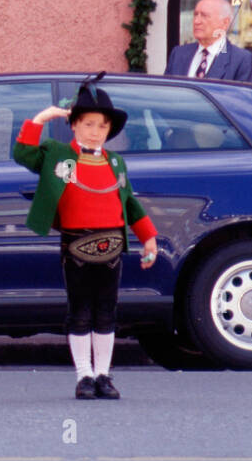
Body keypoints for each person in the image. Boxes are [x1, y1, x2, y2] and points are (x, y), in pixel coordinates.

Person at [13, 76, 159, 399]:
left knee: (107, 310)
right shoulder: (57, 155)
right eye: (88, 124)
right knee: (80, 309)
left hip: (112, 246)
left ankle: (104, 375)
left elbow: (130, 203)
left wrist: (148, 236)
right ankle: (84, 375)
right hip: (76, 244)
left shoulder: (116, 162)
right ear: (74, 125)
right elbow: (23, 154)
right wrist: (41, 119)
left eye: (102, 126)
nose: (95, 132)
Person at [164, 0, 252, 82]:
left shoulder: (241, 60)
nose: (197, 21)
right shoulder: (179, 54)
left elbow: (238, 98)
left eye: (204, 16)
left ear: (225, 23)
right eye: (195, 15)